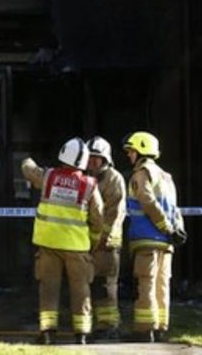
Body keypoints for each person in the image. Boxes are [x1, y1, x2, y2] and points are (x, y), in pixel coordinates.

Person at [21, 138, 104, 345]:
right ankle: (82, 334)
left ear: (63, 154)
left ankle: (48, 334)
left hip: (49, 245)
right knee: (81, 290)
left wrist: (27, 159)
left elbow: (28, 170)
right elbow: (98, 218)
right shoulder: (89, 185)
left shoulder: (48, 177)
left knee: (48, 289)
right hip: (77, 247)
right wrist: (93, 240)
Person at [123, 131, 186, 342]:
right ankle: (160, 328)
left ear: (142, 150)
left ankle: (144, 330)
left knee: (146, 284)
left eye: (131, 151)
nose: (129, 155)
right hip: (166, 243)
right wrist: (177, 230)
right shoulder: (166, 176)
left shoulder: (142, 173)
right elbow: (174, 209)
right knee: (162, 285)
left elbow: (147, 202)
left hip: (147, 239)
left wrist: (165, 227)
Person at [85, 136, 126, 340]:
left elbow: (115, 213)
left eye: (96, 158)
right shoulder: (85, 178)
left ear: (105, 159)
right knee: (90, 286)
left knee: (105, 287)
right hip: (87, 242)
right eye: (89, 157)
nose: (92, 162)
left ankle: (109, 327)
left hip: (107, 244)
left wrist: (103, 238)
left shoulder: (113, 178)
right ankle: (96, 325)